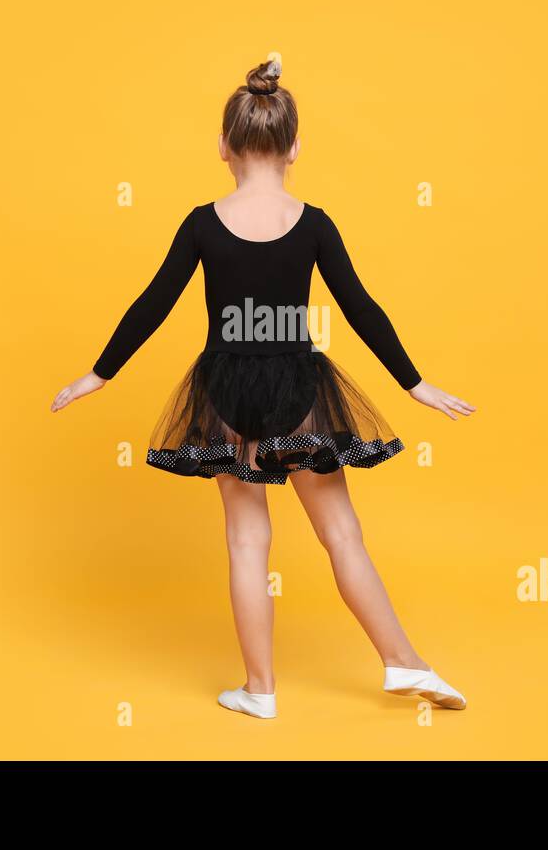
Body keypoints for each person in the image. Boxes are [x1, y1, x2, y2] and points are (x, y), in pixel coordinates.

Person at [51, 60, 474, 719]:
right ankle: (403, 663)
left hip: (225, 390)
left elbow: (153, 302)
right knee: (342, 534)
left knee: (248, 541)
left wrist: (98, 374)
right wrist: (414, 383)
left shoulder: (201, 222)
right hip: (297, 386)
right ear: (295, 147)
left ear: (223, 146)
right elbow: (361, 306)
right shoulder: (313, 223)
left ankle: (260, 690)